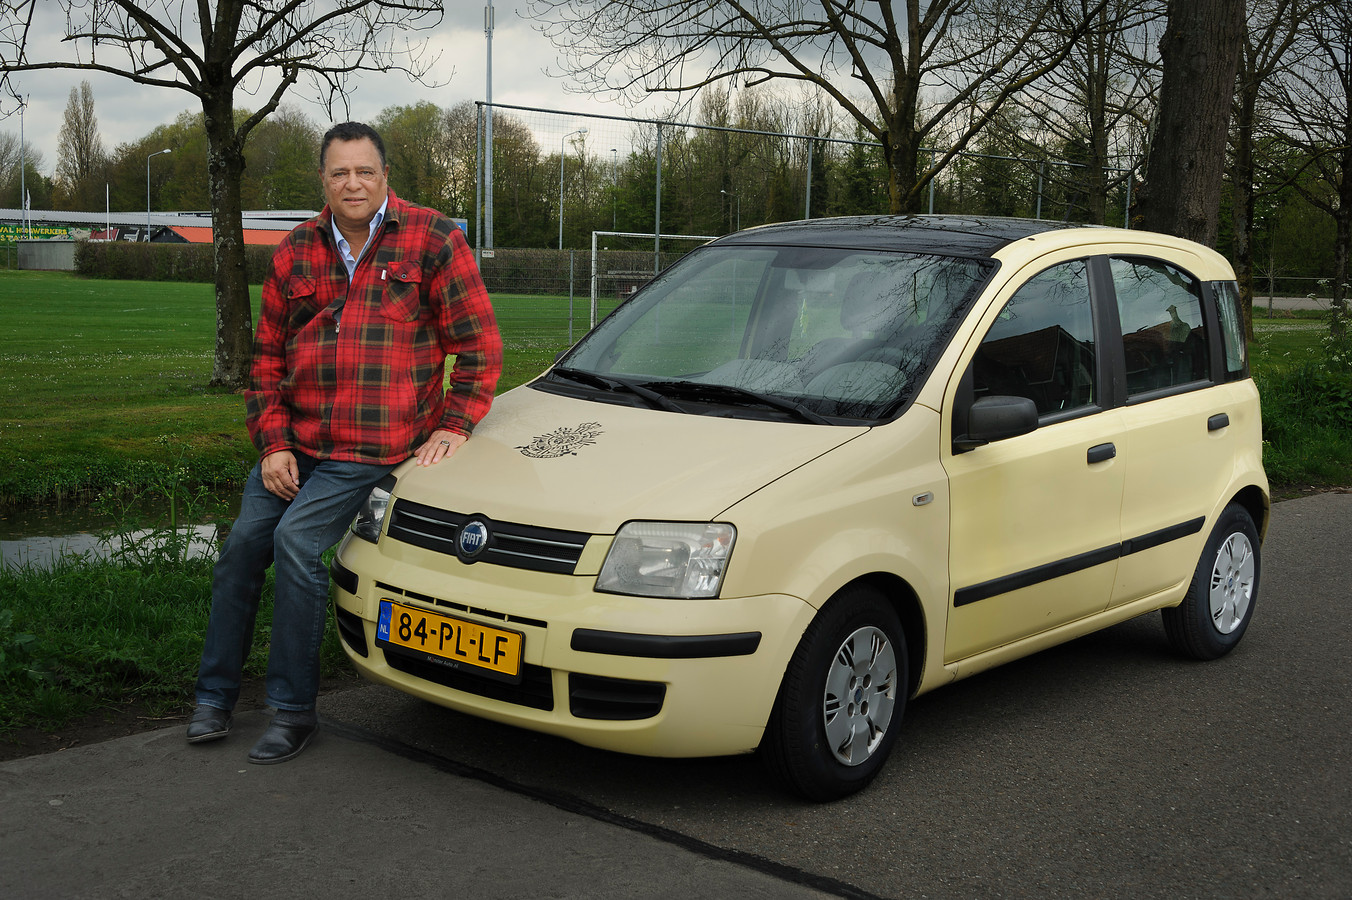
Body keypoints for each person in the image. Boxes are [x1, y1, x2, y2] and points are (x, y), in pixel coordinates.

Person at [187, 122, 502, 764]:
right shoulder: (297, 249)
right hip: (297, 442)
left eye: (364, 171)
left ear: (385, 175)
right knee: (242, 548)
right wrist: (273, 445)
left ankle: (293, 710)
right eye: (339, 173)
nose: (352, 184)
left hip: (369, 447)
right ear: (323, 181)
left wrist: (454, 423)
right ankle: (214, 697)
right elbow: (266, 359)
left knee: (295, 543)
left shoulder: (433, 238)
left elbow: (479, 346)